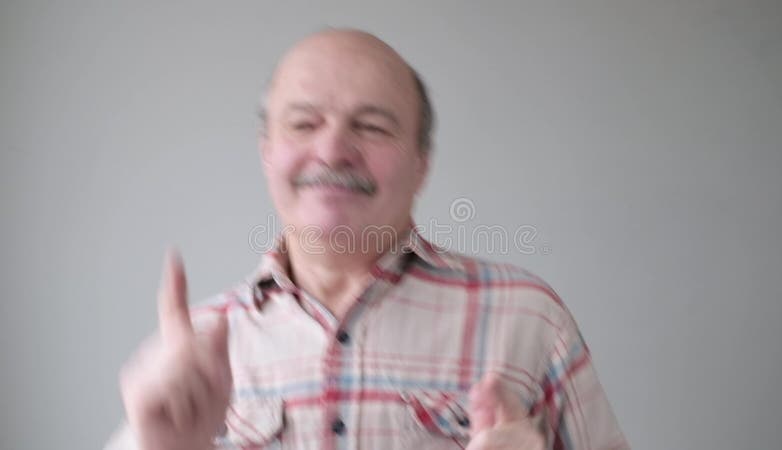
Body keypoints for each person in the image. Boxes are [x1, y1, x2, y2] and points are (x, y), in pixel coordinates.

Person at [106, 28, 628, 450]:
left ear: (422, 163)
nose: (332, 150)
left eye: (373, 127)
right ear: (267, 150)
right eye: (304, 123)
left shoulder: (528, 320)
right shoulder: (192, 354)